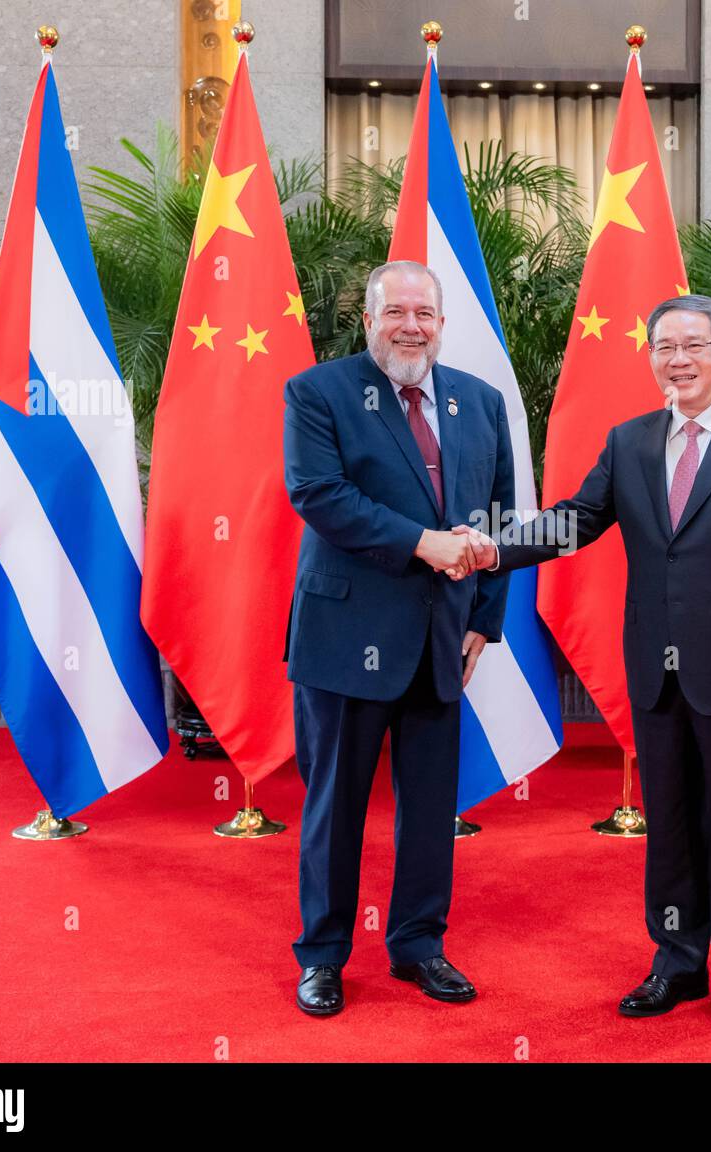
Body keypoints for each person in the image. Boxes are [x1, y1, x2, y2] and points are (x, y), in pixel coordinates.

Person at [453, 294, 711, 1038]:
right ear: (651, 359)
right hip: (657, 669)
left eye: (693, 345)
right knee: (674, 821)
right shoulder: (631, 442)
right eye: (663, 347)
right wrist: (493, 544)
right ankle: (677, 961)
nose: (677, 360)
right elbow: (576, 521)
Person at [282, 260, 514, 1016]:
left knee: (429, 807)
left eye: (425, 312)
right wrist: (424, 542)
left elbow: (502, 516)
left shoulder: (479, 402)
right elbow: (318, 494)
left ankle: (419, 947)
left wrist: (484, 617)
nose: (411, 324)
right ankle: (322, 956)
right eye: (396, 311)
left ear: (442, 324)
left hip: (442, 640)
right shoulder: (319, 392)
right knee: (335, 807)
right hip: (346, 636)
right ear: (369, 319)